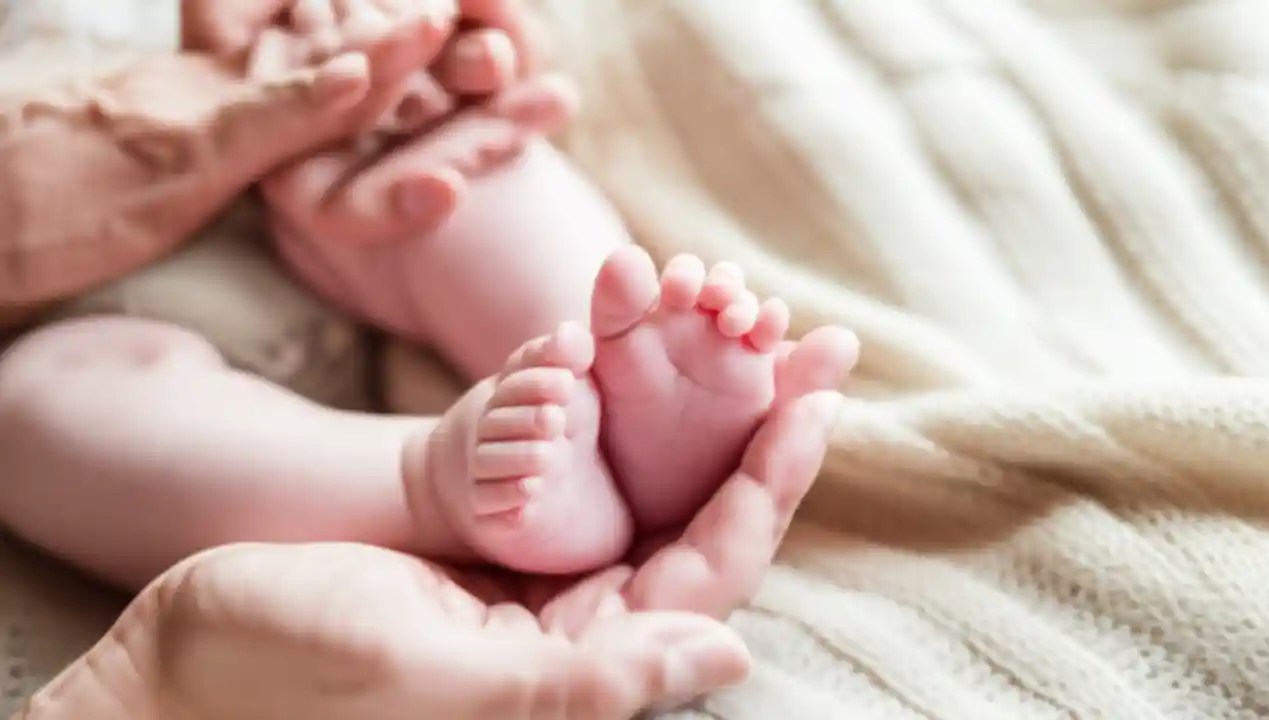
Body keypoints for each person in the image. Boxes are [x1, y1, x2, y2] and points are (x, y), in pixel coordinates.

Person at [2, 2, 854, 716]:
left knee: (468, 171)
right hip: (71, 311)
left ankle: (619, 373)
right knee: (30, 414)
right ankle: (438, 481)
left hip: (315, 177)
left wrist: (433, 42)